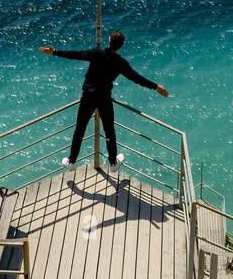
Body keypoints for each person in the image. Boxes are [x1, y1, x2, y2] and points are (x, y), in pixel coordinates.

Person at [39, 31, 169, 176]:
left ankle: (71, 161)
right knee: (109, 130)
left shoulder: (96, 53)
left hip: (88, 96)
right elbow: (136, 78)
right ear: (121, 46)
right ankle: (113, 163)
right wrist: (156, 86)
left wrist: (55, 52)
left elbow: (76, 54)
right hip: (104, 98)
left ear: (109, 41)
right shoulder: (120, 63)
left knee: (80, 128)